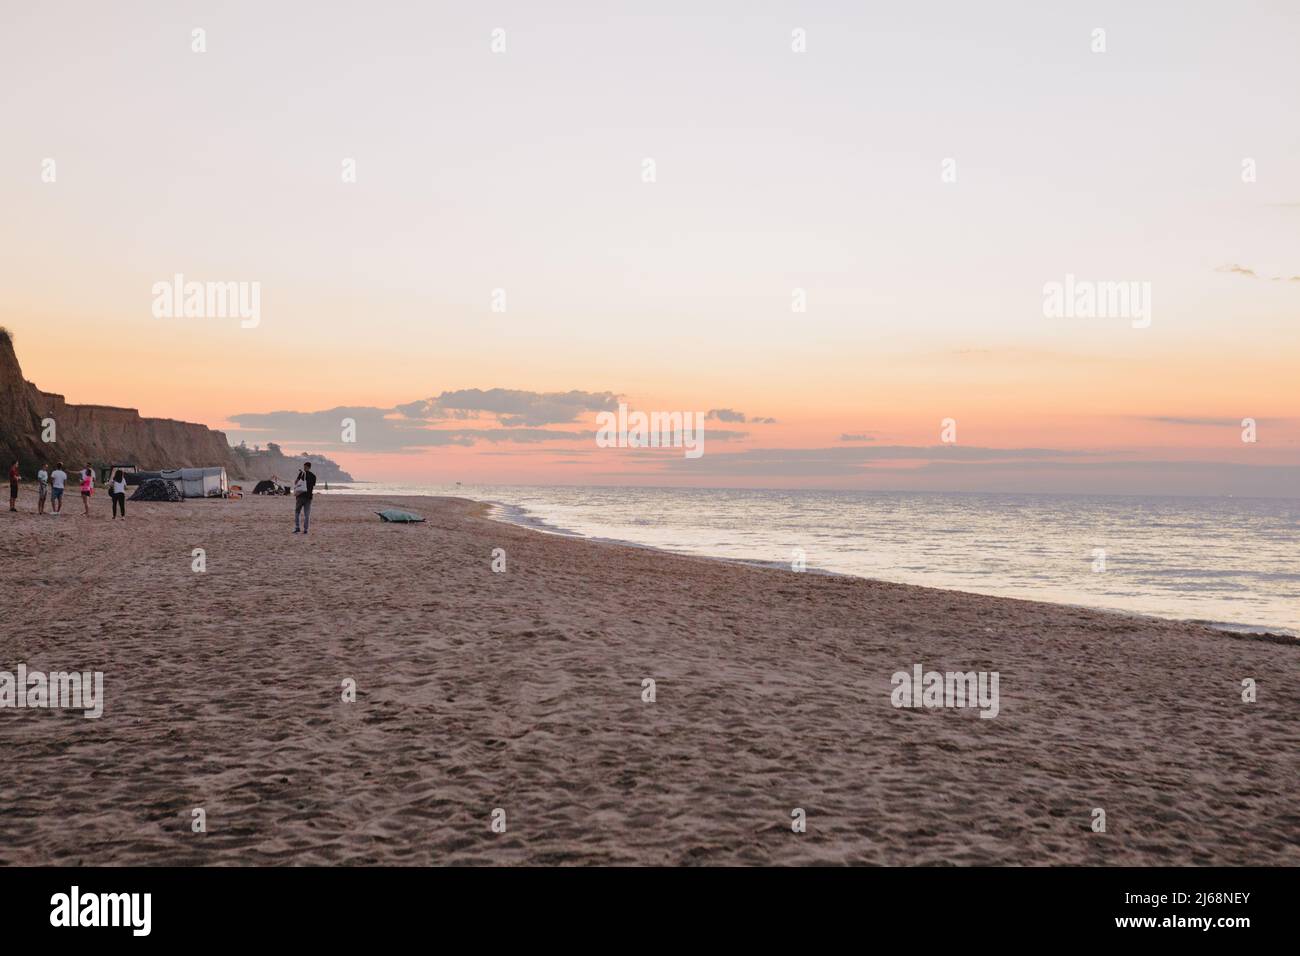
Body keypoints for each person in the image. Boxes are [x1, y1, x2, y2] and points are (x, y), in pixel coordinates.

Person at [293, 461, 317, 534]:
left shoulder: (302, 473)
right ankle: (305, 529)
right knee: (307, 514)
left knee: (297, 512)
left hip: (300, 496)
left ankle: (297, 528)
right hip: (309, 497)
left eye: (305, 467)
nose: (304, 468)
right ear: (310, 467)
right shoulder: (313, 476)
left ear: (307, 467)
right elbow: (313, 486)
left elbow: (296, 482)